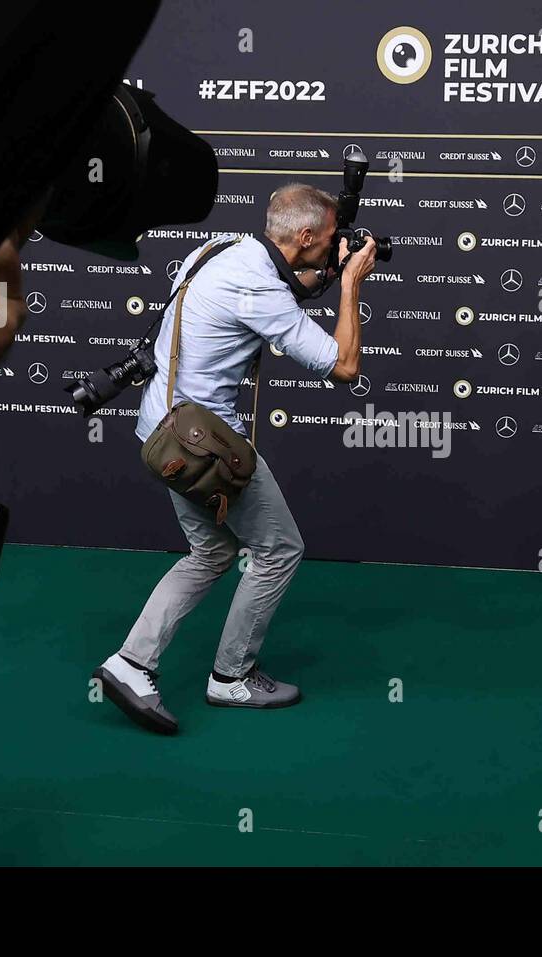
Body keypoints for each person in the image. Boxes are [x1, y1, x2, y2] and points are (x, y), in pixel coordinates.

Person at [95, 184, 376, 734]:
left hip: (160, 430)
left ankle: (130, 664)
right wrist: (351, 285)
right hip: (203, 446)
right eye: (327, 239)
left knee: (212, 551)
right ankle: (232, 676)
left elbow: (284, 285)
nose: (332, 245)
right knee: (278, 549)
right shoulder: (258, 286)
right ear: (305, 236)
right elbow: (344, 367)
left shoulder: (222, 248)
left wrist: (328, 273)